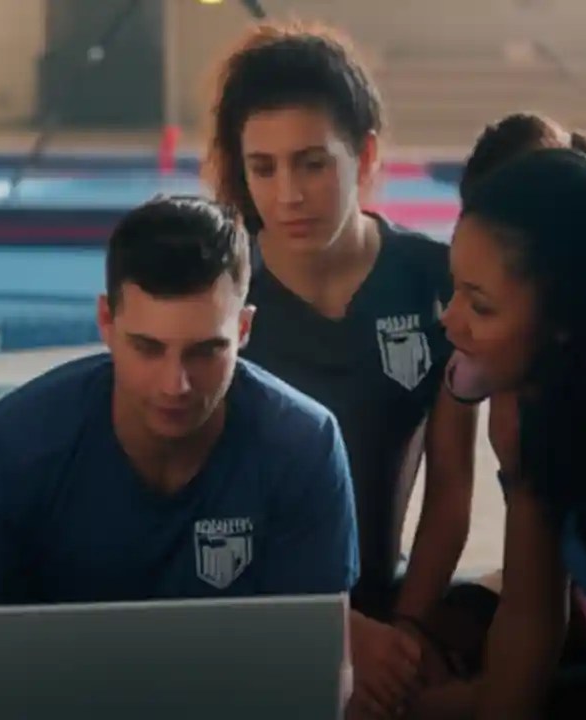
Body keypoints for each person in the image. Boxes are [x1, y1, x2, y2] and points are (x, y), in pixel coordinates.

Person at [0, 195, 360, 720]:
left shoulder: (302, 447)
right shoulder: (10, 452)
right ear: (106, 321)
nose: (175, 384)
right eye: (148, 348)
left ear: (243, 330)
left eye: (206, 350)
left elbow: (317, 684)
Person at [206, 21, 479, 718]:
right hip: (247, 604)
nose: (288, 194)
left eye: (313, 163)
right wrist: (325, 633)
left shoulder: (431, 280)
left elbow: (451, 485)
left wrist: (405, 635)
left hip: (394, 607)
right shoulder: (220, 295)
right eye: (263, 168)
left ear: (366, 153)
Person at [437, 147, 586, 717]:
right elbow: (530, 615)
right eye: (455, 290)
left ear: (569, 318)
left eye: (481, 305)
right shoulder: (535, 411)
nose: (450, 319)